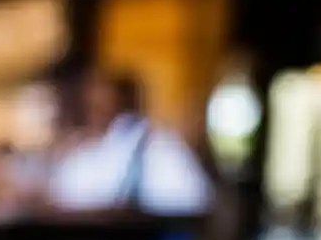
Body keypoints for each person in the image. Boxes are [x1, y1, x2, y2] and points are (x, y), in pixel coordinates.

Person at [48, 71, 212, 216]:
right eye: (91, 107)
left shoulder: (159, 149)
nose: (96, 115)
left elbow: (191, 202)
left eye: (104, 107)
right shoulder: (79, 154)